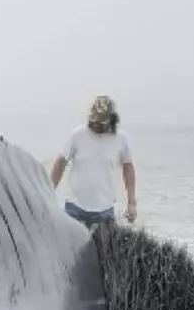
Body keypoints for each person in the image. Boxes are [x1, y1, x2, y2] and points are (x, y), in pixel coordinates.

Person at [50, 95, 137, 228]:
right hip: (75, 208)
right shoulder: (77, 135)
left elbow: (128, 168)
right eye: (94, 121)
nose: (96, 126)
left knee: (106, 249)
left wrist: (131, 202)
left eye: (101, 123)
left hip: (105, 211)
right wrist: (48, 191)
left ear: (112, 120)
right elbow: (61, 163)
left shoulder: (121, 139)